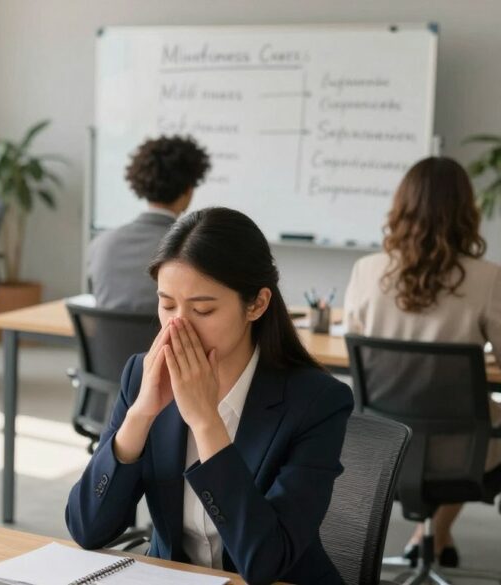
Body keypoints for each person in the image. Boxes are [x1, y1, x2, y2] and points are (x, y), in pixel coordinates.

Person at [66, 207, 353, 585]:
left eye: (202, 309)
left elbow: (265, 561)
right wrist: (140, 415)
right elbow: (87, 527)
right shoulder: (143, 376)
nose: (177, 325)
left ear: (257, 304)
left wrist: (206, 423)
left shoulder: (317, 402)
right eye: (167, 304)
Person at [344, 156, 501, 568]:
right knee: (483, 419)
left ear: (401, 207)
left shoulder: (366, 271)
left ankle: (430, 538)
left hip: (382, 444)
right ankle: (435, 538)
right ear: (466, 212)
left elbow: (354, 348)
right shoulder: (487, 278)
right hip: (461, 451)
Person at [87, 135, 210, 313]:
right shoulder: (193, 248)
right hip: (170, 342)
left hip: (108, 341)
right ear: (188, 191)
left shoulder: (101, 244)